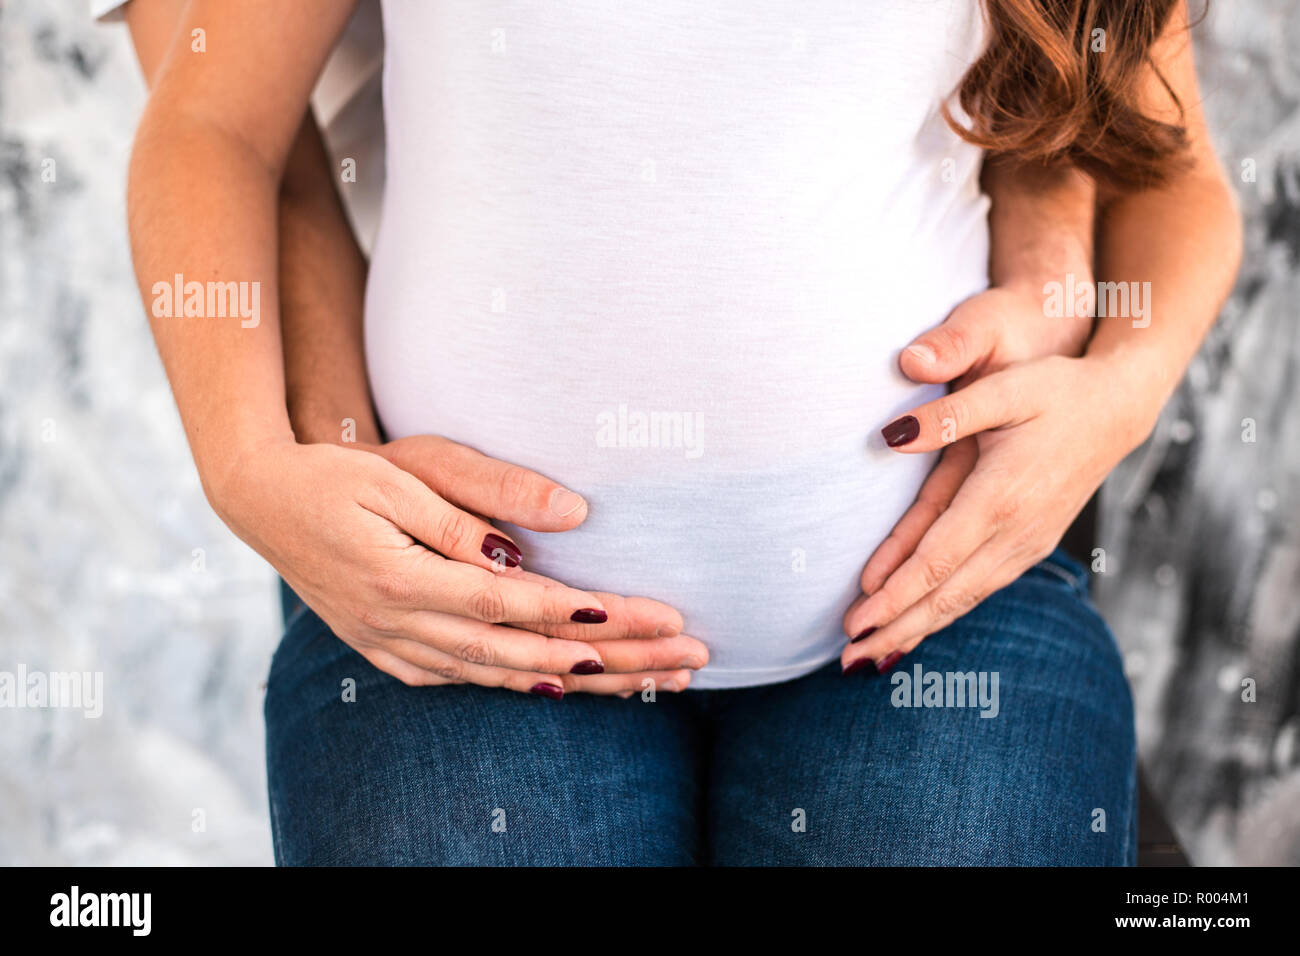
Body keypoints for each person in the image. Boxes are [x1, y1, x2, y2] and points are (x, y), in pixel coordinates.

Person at [119, 0, 1240, 864]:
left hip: (934, 606)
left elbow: (1170, 171)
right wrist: (249, 466)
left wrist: (1117, 392)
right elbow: (214, 120)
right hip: (457, 612)